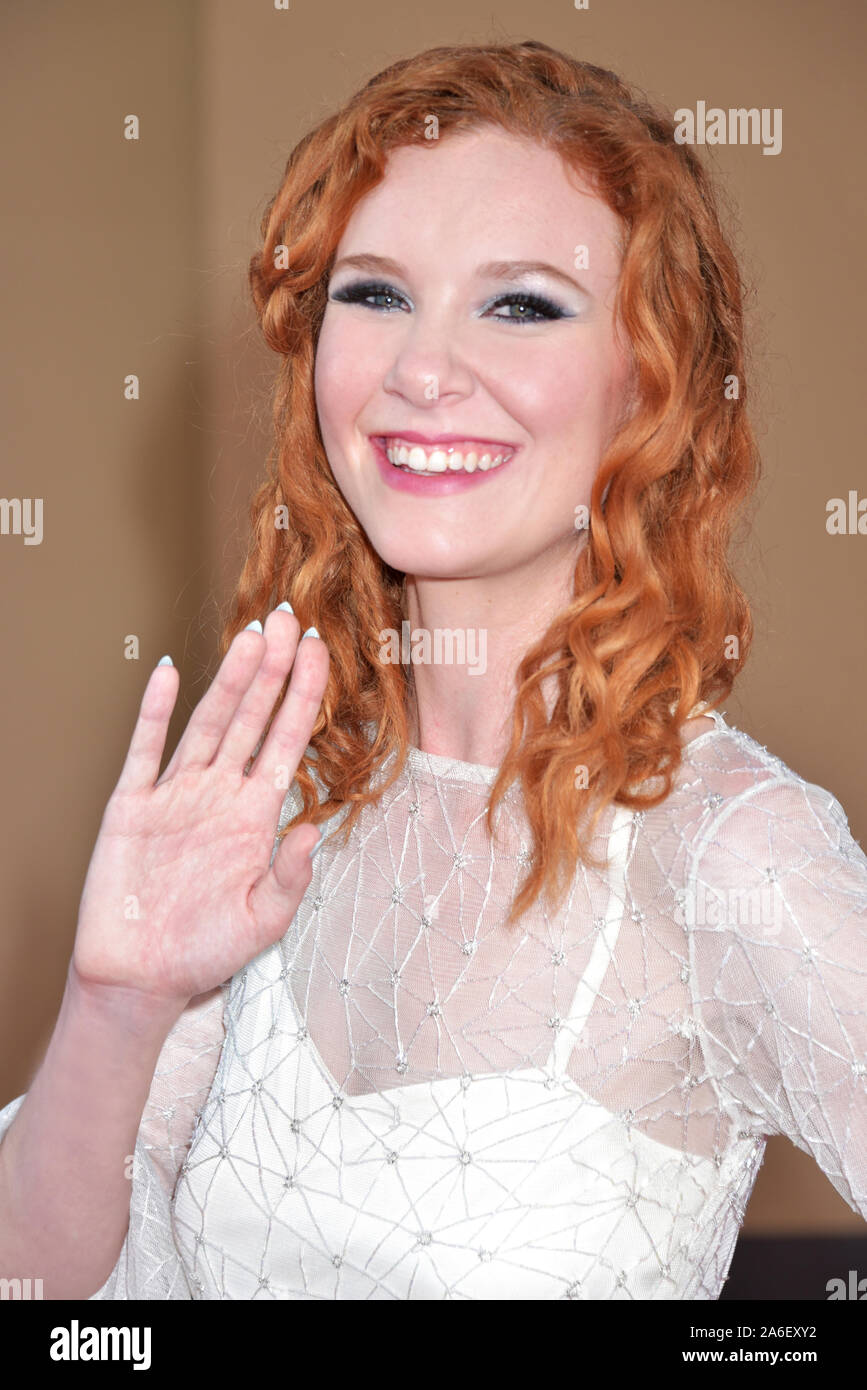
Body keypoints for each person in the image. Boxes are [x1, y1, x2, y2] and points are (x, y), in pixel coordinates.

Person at [1, 39, 864, 1301]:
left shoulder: (739, 855)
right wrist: (114, 1001)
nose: (420, 369)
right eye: (375, 293)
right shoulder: (273, 800)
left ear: (652, 386)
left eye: (521, 304)